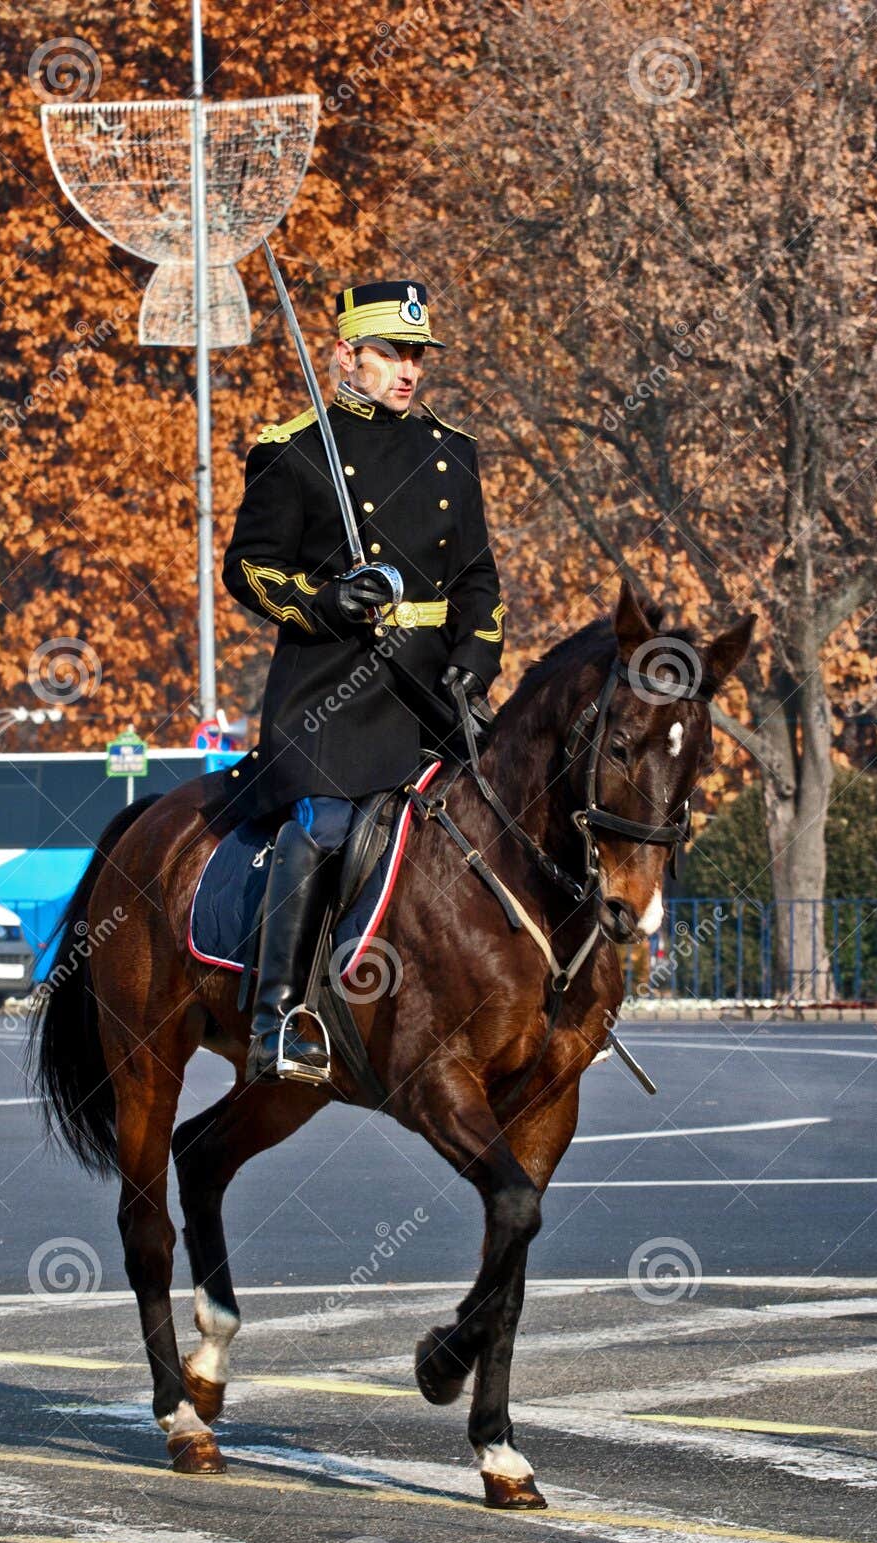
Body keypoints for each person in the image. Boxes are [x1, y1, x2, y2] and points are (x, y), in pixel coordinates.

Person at [221, 279, 505, 1084]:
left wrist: (473, 662)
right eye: (390, 354)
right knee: (324, 826)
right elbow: (248, 570)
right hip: (332, 694)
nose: (407, 370)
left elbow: (478, 578)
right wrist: (327, 600)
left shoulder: (452, 451)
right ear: (346, 354)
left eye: (417, 355)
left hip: (434, 695)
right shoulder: (294, 449)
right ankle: (279, 1019)